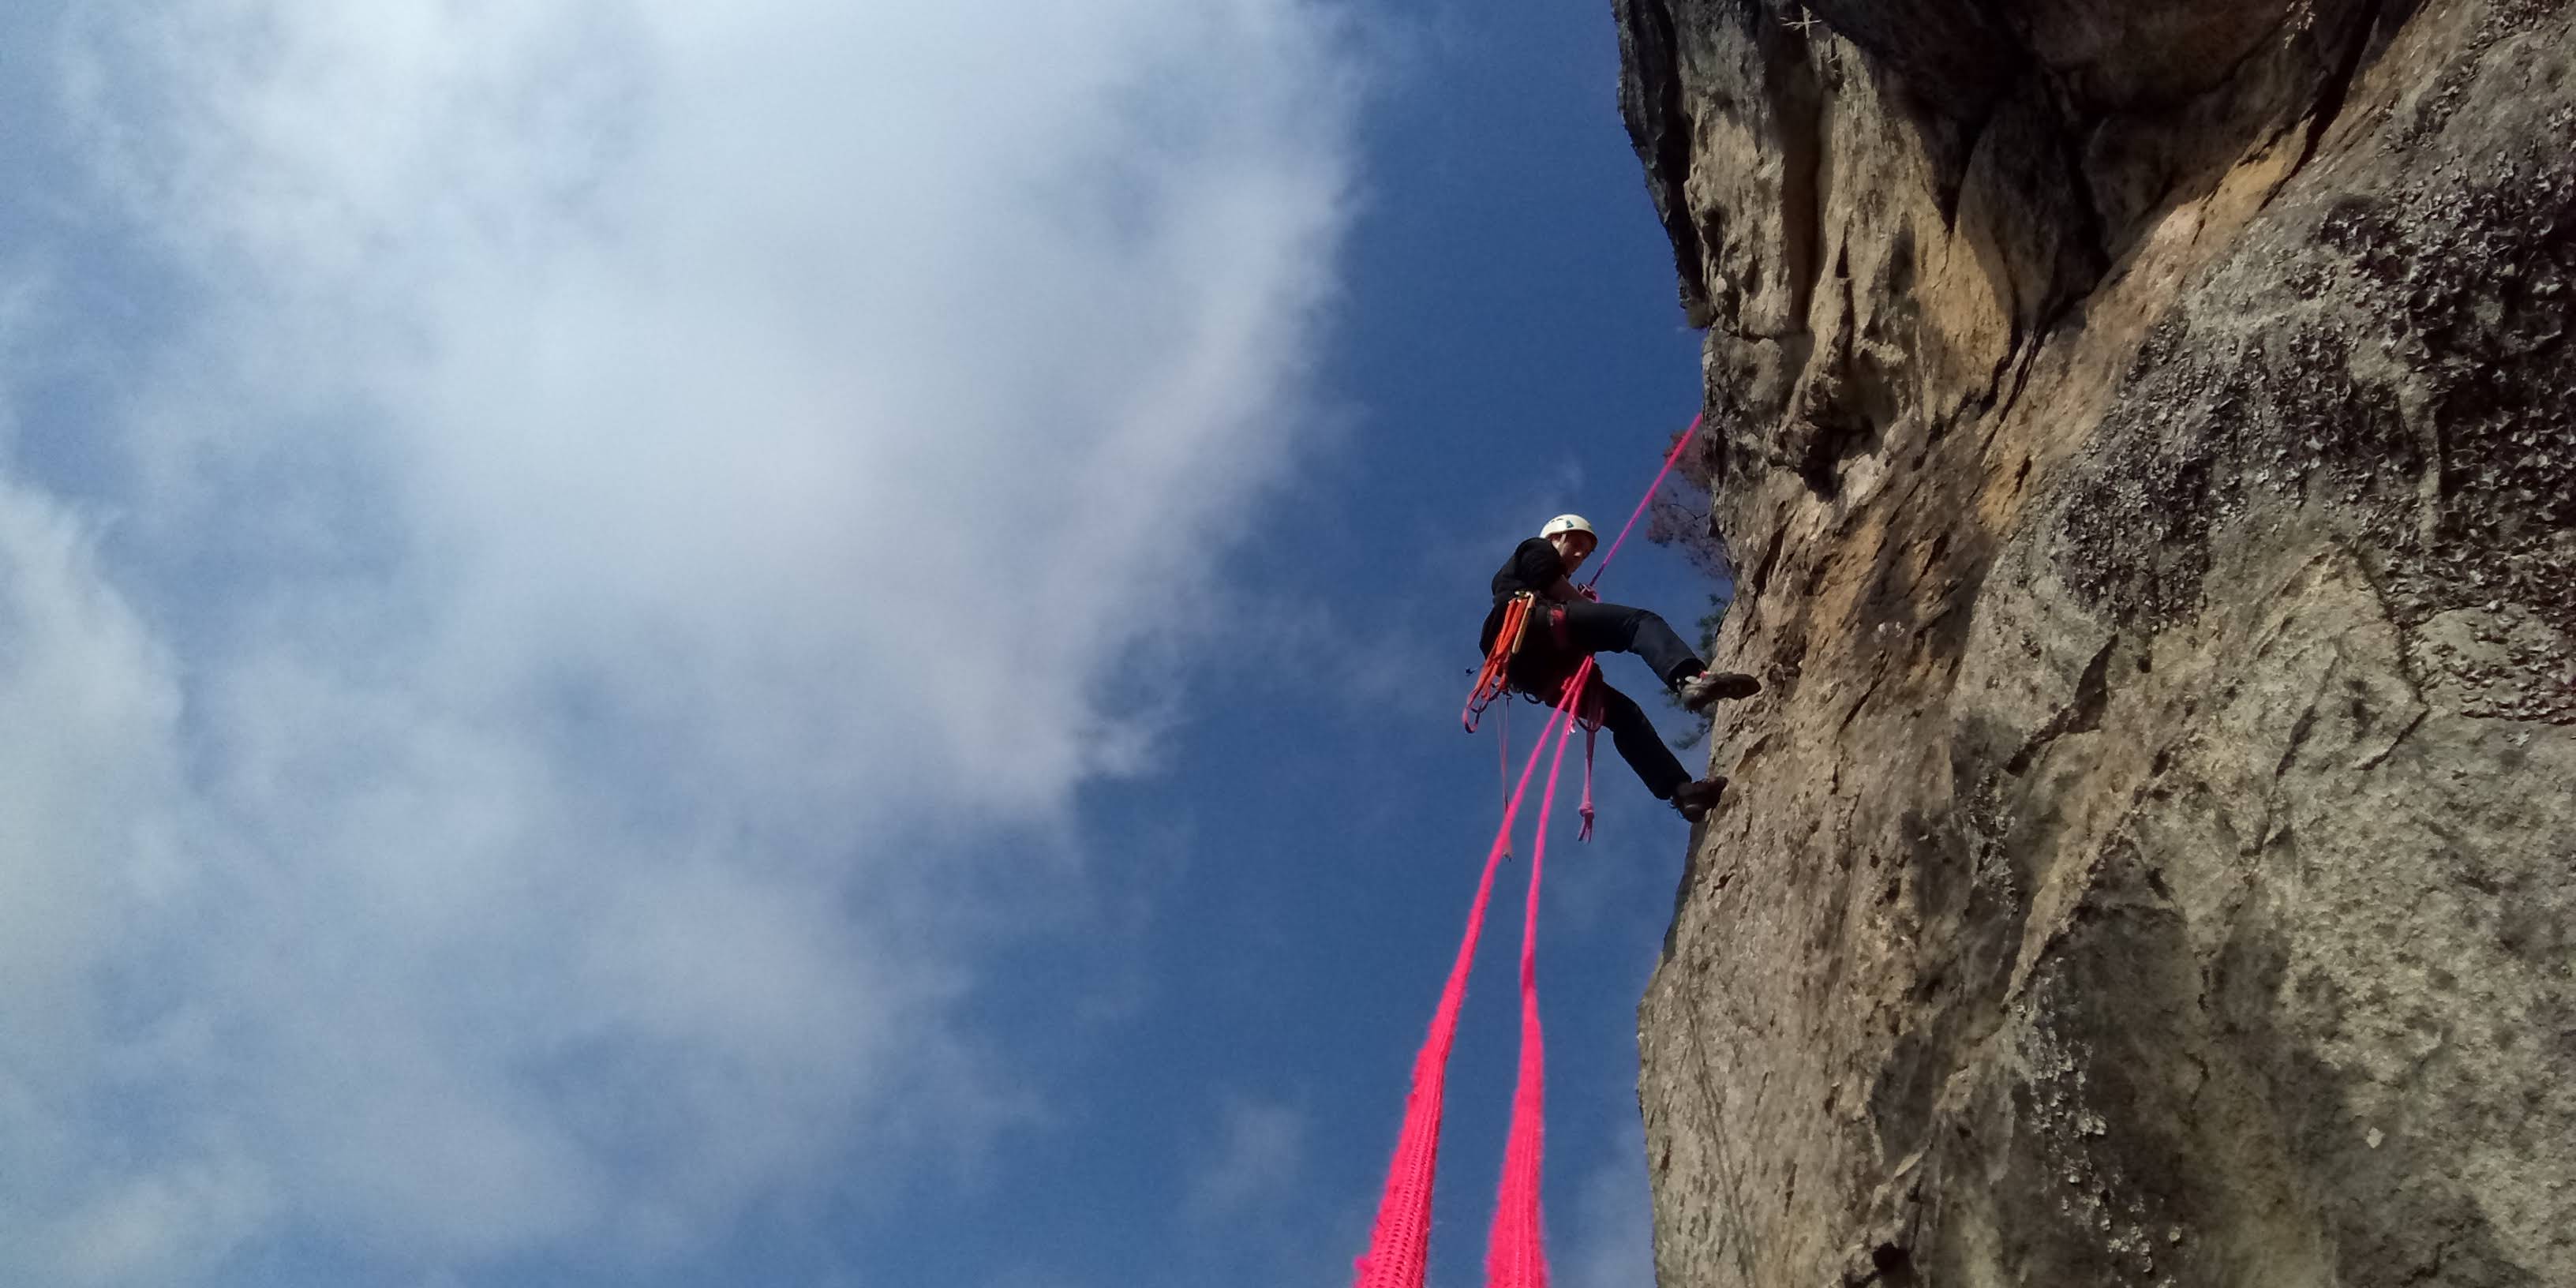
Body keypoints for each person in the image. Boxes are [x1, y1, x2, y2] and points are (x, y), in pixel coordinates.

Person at [1479, 514, 1758, 821]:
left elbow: (1552, 590)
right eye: (1576, 545)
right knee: (1638, 623)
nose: (1578, 556)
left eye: (1585, 553)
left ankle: (1681, 791)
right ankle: (1690, 678)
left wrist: (1578, 607)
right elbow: (1545, 575)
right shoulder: (1536, 547)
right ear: (1555, 537)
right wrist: (1584, 606)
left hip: (1536, 671)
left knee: (1624, 717)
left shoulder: (1531, 581)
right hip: (1533, 626)